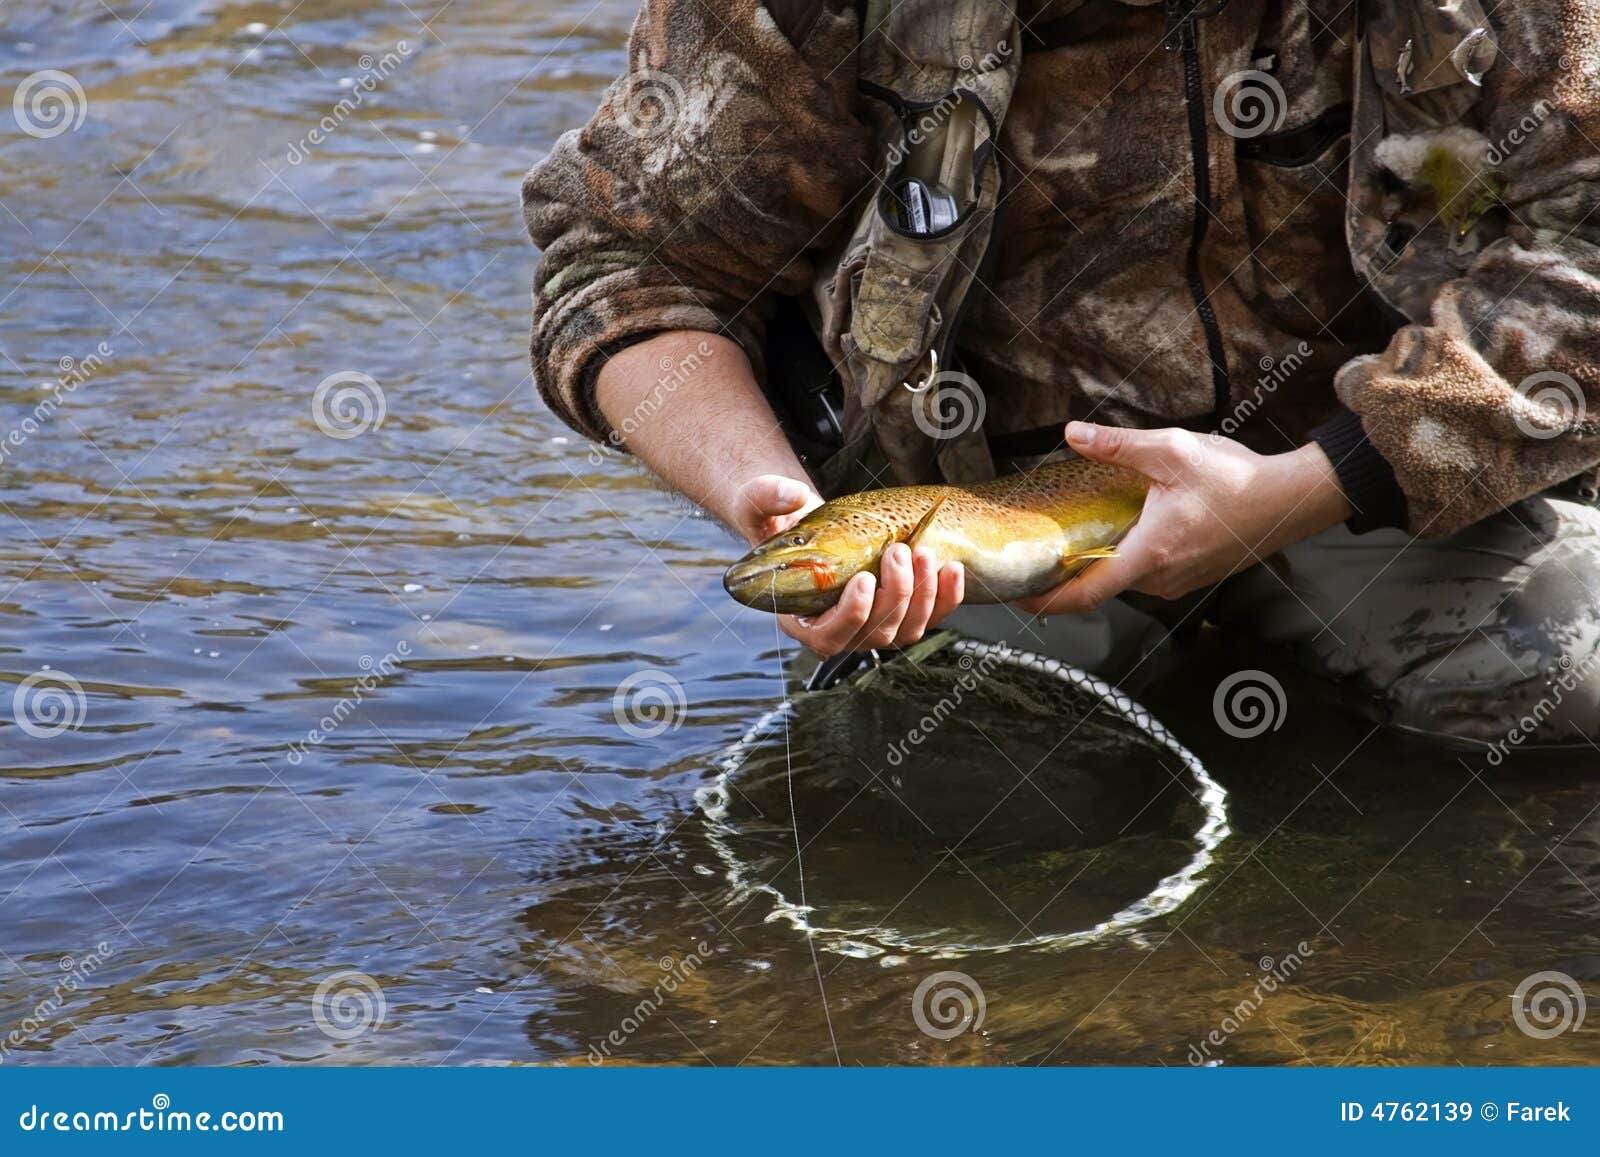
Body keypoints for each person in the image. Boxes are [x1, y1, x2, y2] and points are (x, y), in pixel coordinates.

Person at [521, 0, 1600, 745]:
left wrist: (1305, 487)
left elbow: (1585, 242)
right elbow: (632, 270)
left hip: (1363, 478)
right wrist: (768, 495)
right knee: (933, 784)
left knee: (1569, 689)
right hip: (980, 531)